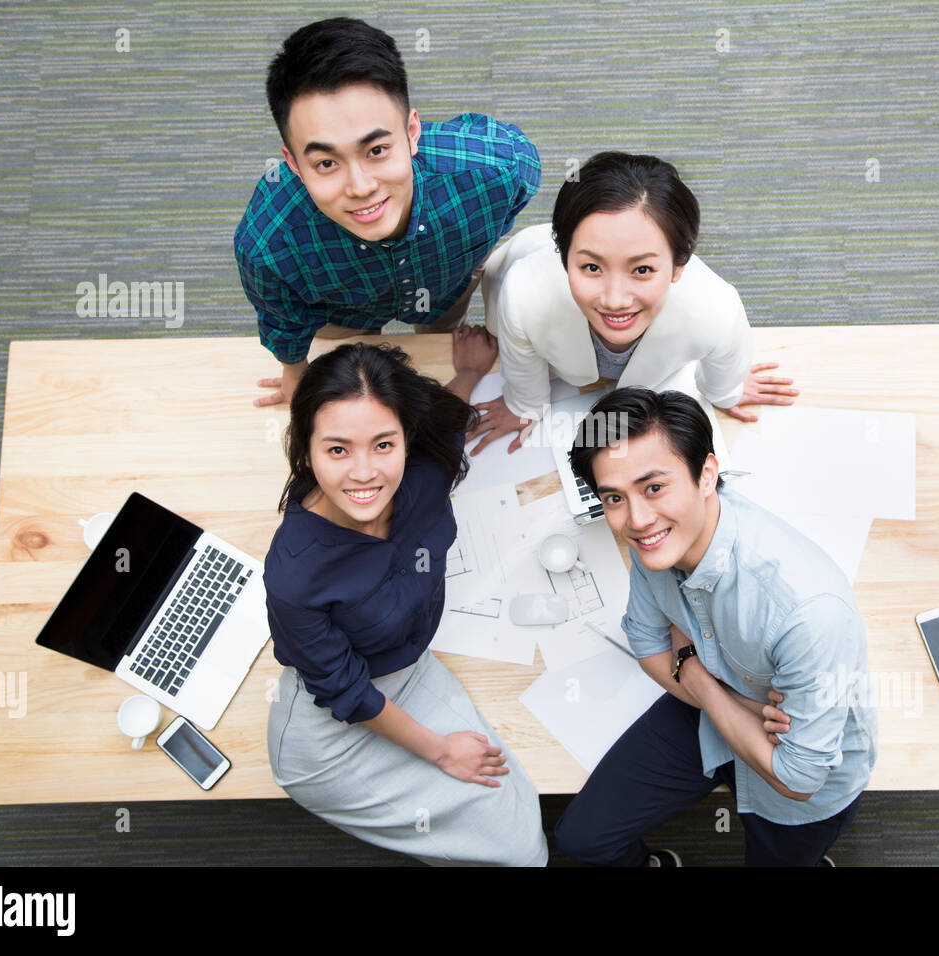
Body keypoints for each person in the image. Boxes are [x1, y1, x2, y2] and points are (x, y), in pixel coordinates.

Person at [553, 387, 876, 867]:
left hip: (792, 765)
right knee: (581, 839)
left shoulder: (807, 612)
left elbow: (798, 778)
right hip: (712, 709)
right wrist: (718, 692)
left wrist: (693, 669)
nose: (637, 520)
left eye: (654, 487)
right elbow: (646, 643)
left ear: (706, 473)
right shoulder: (656, 540)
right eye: (614, 498)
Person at [264, 327, 547, 866]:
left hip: (409, 671)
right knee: (516, 850)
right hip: (330, 733)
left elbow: (446, 418)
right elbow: (344, 691)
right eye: (337, 449)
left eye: (383, 444)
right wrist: (440, 753)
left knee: (517, 818)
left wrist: (468, 373)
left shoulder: (425, 469)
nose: (365, 473)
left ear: (405, 438)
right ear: (304, 450)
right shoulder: (294, 574)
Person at [234, 17, 541, 407]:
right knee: (350, 357)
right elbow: (285, 316)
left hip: (445, 283)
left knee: (442, 330)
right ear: (293, 163)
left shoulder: (497, 169)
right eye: (326, 163)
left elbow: (514, 194)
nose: (361, 187)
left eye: (376, 150)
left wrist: (476, 242)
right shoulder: (268, 244)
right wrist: (295, 370)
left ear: (412, 132)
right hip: (342, 309)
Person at [467, 151, 797, 456]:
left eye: (642, 270)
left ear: (679, 264)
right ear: (564, 258)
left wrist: (728, 390)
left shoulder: (716, 308)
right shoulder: (524, 293)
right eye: (591, 267)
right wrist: (524, 405)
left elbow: (725, 369)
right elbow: (524, 371)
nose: (614, 300)